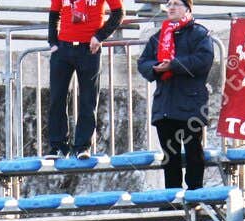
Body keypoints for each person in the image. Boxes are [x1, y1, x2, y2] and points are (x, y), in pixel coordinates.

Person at [137, 0, 214, 191]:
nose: (171, 7)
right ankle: (172, 198)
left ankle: (195, 195)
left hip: (191, 103)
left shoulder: (199, 33)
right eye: (169, 4)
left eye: (176, 4)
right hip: (165, 105)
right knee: (169, 155)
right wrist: (155, 69)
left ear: (188, 8)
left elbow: (204, 60)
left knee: (193, 152)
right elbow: (143, 62)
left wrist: (173, 65)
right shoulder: (159, 37)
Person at [46, 0, 122, 158]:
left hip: (89, 49)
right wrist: (53, 42)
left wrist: (99, 36)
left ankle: (82, 146)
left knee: (88, 99)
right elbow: (54, 14)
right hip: (63, 48)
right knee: (57, 97)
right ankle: (58, 145)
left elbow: (118, 13)